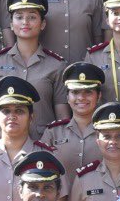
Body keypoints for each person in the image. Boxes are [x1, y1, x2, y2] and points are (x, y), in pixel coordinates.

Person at [0, 0, 68, 136]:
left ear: (43, 24)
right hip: (5, 143)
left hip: (43, 143)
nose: (25, 22)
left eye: (32, 17)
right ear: (11, 24)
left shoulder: (57, 65)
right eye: (19, 17)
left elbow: (62, 117)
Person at [41, 62, 106, 190]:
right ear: (67, 97)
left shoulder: (109, 132)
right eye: (75, 92)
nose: (81, 97)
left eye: (88, 92)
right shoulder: (53, 132)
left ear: (98, 96)